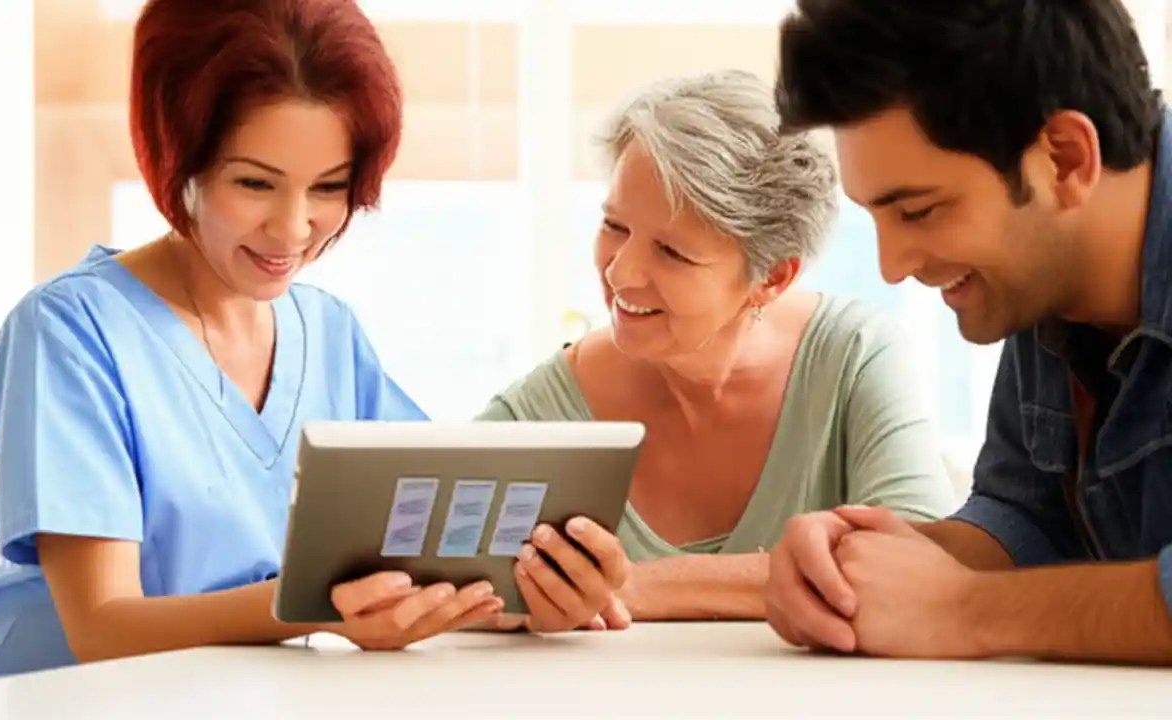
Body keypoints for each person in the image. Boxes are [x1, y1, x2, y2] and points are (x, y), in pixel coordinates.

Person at [0, 0, 578, 683]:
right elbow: (101, 622)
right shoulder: (70, 331)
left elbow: (423, 560)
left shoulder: (328, 335)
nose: (293, 229)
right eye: (254, 183)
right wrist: (320, 611)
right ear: (175, 155)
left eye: (329, 188)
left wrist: (531, 595)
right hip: (62, 697)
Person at [765, 0, 1172, 665]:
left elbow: (977, 599)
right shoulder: (1046, 281)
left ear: (1065, 159)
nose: (891, 267)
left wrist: (962, 611)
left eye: (919, 210)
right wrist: (850, 564)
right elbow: (1025, 525)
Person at [477, 70, 954, 626]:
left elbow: (918, 559)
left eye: (672, 253)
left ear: (772, 277)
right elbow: (425, 569)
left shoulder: (855, 356)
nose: (621, 270)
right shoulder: (544, 409)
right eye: (614, 225)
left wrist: (638, 588)